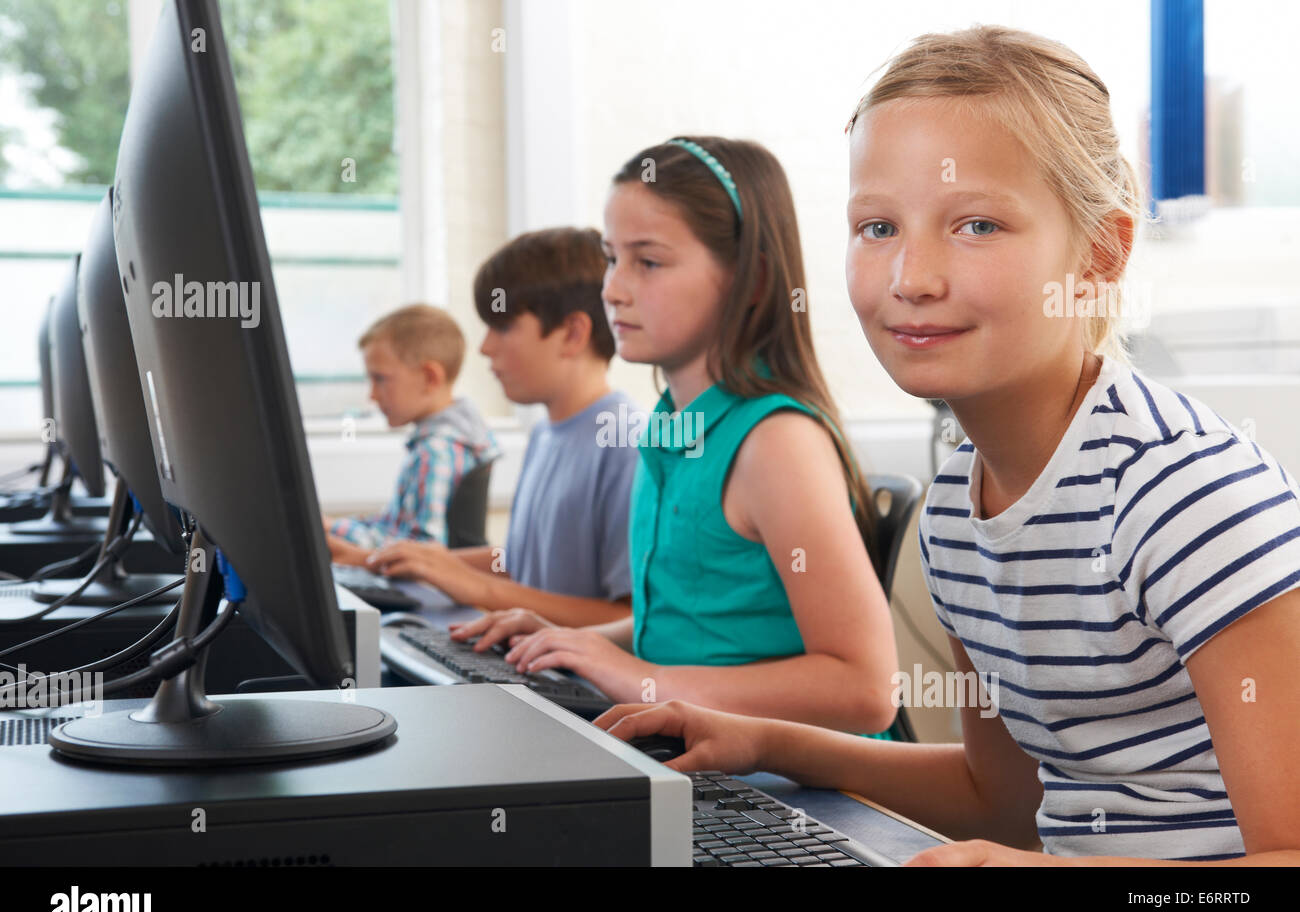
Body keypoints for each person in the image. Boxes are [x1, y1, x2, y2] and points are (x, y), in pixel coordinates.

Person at [596, 26, 1300, 865]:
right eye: (878, 227)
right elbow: (998, 801)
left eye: (975, 225)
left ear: (1102, 253)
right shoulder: (958, 514)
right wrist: (768, 743)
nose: (911, 279)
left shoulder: (1186, 495)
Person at [446, 136, 901, 737]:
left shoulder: (775, 442)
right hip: (703, 757)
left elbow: (867, 691)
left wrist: (641, 678)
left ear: (751, 280)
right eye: (612, 257)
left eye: (648, 261)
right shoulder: (669, 424)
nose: (612, 287)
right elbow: (685, 624)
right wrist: (576, 642)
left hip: (796, 798)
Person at [365, 228, 640, 628]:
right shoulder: (546, 433)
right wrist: (430, 562)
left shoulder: (625, 444)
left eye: (503, 327)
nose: (484, 347)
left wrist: (481, 591)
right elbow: (525, 564)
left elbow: (628, 617)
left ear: (573, 334)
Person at [325, 304, 499, 564]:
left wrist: (344, 547)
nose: (371, 395)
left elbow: (422, 553)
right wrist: (332, 528)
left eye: (380, 379)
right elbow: (392, 528)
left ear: (429, 377)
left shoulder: (437, 451)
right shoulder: (452, 438)